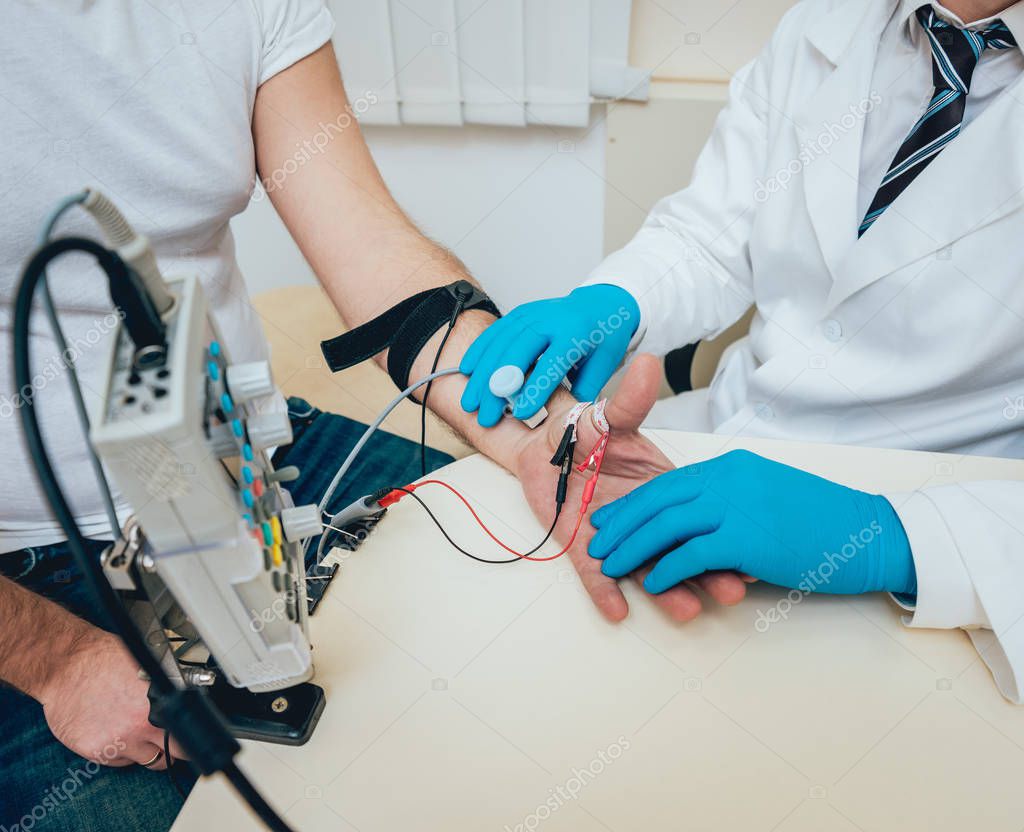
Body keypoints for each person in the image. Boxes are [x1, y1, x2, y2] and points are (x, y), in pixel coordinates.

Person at [0, 4, 733, 831]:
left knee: (554, 664)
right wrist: (52, 657)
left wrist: (540, 435)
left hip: (258, 466)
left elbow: (380, 271)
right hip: (27, 584)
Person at [462, 0, 1024, 704]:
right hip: (708, 446)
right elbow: (714, 236)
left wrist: (894, 539)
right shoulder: (829, 22)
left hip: (950, 531)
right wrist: (621, 299)